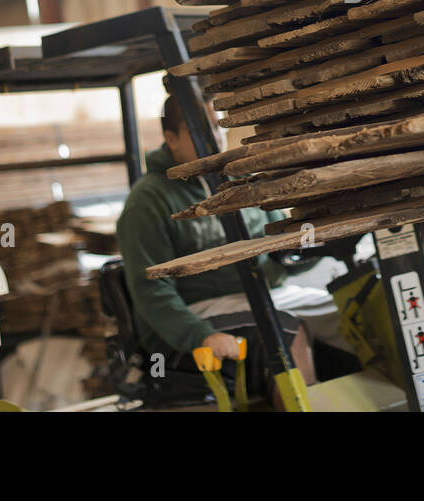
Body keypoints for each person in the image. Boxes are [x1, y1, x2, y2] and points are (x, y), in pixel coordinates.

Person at [115, 91, 348, 401]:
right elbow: (151, 291)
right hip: (196, 312)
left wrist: (312, 242)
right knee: (285, 331)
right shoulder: (148, 201)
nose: (215, 138)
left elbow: (281, 242)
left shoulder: (239, 181)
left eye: (216, 127)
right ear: (170, 139)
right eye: (201, 130)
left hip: (262, 293)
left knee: (348, 314)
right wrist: (199, 334)